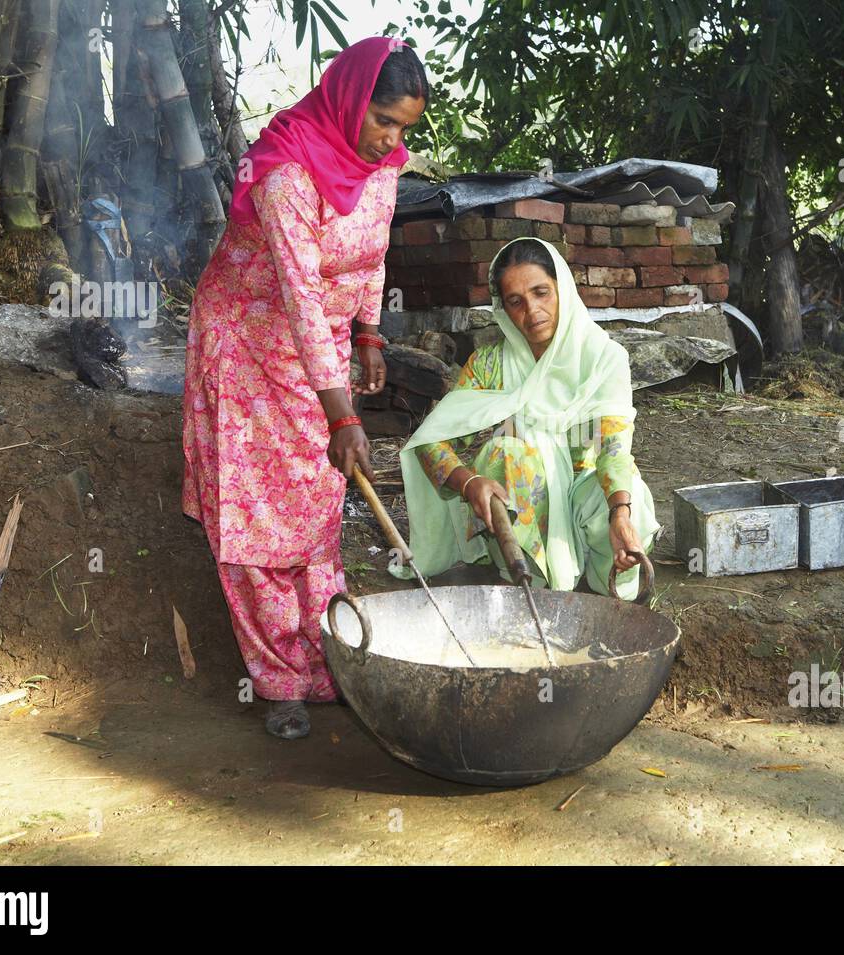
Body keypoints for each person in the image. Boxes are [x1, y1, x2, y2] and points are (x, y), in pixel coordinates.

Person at [182, 37, 427, 740]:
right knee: (257, 519)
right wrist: (343, 411)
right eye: (384, 119)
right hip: (248, 346)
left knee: (317, 513)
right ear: (350, 98)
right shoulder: (288, 172)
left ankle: (330, 662)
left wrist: (370, 334)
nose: (391, 138)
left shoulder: (382, 166)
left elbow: (374, 251)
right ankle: (279, 682)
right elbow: (296, 293)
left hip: (314, 352)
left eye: (404, 126)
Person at [392, 237, 660, 600]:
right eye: (516, 301)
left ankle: (610, 579)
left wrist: (621, 515)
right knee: (502, 453)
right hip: (528, 512)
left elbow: (613, 448)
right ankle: (524, 582)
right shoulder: (491, 365)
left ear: (562, 288)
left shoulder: (602, 358)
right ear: (503, 309)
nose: (532, 310)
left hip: (588, 499)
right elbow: (432, 440)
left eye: (541, 292)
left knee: (626, 495)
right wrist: (470, 482)